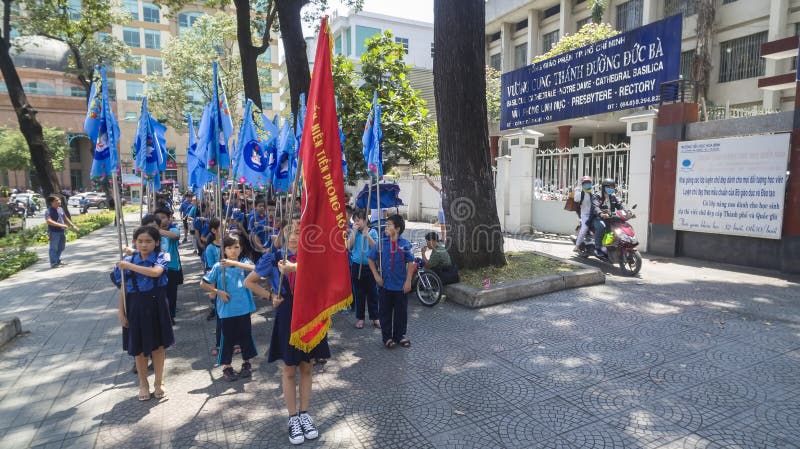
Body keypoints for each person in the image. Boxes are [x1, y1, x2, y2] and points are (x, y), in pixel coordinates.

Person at [244, 218, 326, 445]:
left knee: (307, 367)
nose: (293, 236)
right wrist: (270, 296)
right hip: (287, 315)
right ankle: (293, 418)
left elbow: (325, 276)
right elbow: (250, 282)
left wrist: (296, 267)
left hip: (309, 315)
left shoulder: (312, 257)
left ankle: (305, 414)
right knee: (289, 369)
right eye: (289, 231)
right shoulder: (273, 258)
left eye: (298, 232)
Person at [112, 226, 174, 401]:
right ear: (134, 242)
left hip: (156, 304)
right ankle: (143, 383)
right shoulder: (128, 259)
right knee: (138, 350)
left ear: (156, 243)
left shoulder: (161, 257)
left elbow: (155, 273)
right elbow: (123, 288)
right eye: (140, 241)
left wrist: (129, 265)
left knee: (158, 347)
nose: (144, 244)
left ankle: (159, 382)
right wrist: (121, 312)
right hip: (134, 305)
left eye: (148, 241)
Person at [200, 236, 257, 381]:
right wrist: (218, 292)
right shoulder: (219, 267)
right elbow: (203, 283)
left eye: (236, 247)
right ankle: (227, 366)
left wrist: (235, 263)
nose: (233, 251)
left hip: (243, 308)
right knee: (227, 339)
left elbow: (257, 270)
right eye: (229, 248)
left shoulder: (244, 263)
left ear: (241, 249)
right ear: (223, 250)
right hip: (226, 310)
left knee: (245, 336)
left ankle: (246, 363)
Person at [367, 214, 415, 349]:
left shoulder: (405, 244)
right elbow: (370, 258)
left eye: (389, 225)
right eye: (386, 225)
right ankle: (387, 337)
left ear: (397, 229)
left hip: (400, 286)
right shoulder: (382, 243)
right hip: (385, 285)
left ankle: (399, 335)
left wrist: (408, 281)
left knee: (401, 312)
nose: (386, 227)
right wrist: (376, 275)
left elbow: (411, 262)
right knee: (385, 312)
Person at [347, 209, 379, 329]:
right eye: (354, 221)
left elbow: (376, 248)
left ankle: (375, 317)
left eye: (358, 220)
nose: (356, 223)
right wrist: (354, 233)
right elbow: (349, 246)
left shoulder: (373, 232)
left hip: (370, 267)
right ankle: (360, 318)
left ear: (365, 220)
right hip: (356, 265)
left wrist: (367, 236)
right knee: (359, 293)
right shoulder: (353, 232)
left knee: (372, 293)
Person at [154, 208, 183, 324]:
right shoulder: (151, 232)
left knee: (171, 294)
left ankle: (170, 315)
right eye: (158, 218)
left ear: (170, 218)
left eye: (163, 217)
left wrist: (158, 231)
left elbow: (176, 236)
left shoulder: (174, 229)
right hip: (156, 267)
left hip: (171, 267)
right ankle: (161, 315)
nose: (160, 220)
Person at [593, 178, 626, 257]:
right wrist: (600, 213)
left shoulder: (613, 197)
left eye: (612, 187)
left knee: (621, 226)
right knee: (601, 226)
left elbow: (620, 206)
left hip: (610, 217)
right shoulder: (597, 196)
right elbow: (595, 206)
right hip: (598, 218)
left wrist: (627, 213)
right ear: (604, 187)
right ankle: (598, 248)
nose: (610, 189)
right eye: (608, 187)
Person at [45, 195, 80, 268]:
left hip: (61, 231)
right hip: (53, 232)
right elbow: (49, 221)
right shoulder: (48, 211)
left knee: (61, 247)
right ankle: (53, 263)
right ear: (51, 202)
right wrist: (61, 225)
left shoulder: (60, 209)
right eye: (56, 200)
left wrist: (73, 225)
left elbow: (65, 218)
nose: (59, 201)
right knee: (53, 248)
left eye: (59, 200)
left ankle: (57, 260)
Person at [573, 176, 596, 252]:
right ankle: (577, 245)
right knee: (585, 228)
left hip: (594, 214)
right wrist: (576, 189)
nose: (587, 184)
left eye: (588, 183)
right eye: (585, 183)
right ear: (582, 184)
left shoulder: (592, 193)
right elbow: (576, 199)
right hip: (585, 215)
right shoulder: (581, 193)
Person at [424, 175, 446, 242]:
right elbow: (433, 185)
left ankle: (447, 239)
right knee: (442, 225)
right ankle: (443, 239)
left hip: (445, 211)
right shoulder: (441, 192)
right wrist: (427, 178)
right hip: (440, 211)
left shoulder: (449, 193)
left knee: (447, 225)